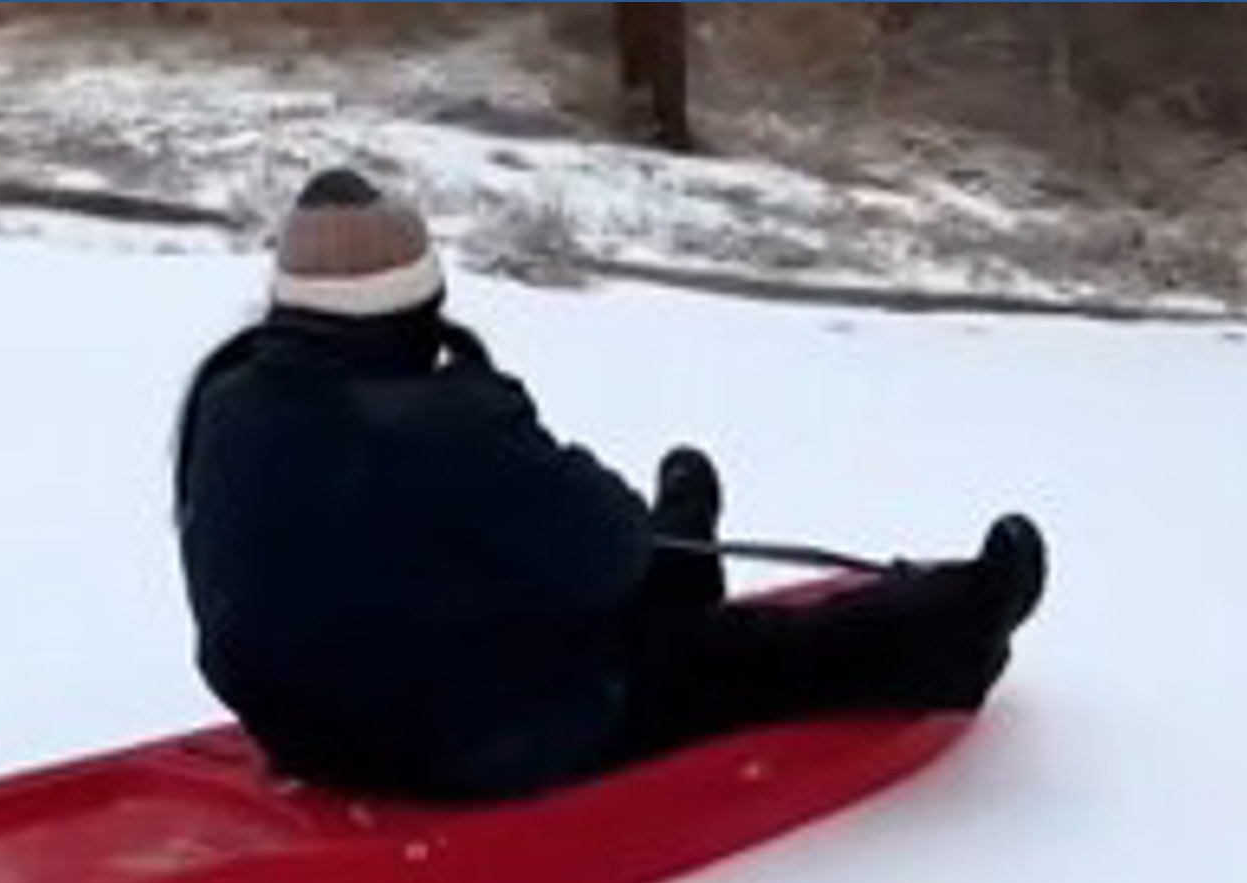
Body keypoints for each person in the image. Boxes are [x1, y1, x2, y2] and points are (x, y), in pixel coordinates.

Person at [174, 168, 1048, 802]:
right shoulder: (447, 419)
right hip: (466, 745)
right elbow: (604, 552)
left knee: (532, 571)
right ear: (417, 301)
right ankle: (960, 623)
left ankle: (684, 547)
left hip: (302, 732)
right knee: (743, 658)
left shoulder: (228, 397)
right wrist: (503, 426)